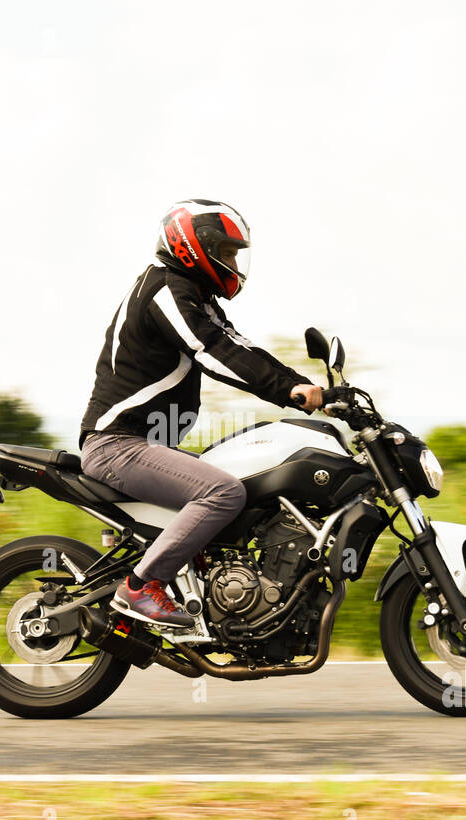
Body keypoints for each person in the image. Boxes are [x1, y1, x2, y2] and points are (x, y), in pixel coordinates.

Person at [79, 199, 323, 627]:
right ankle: (140, 587)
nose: (232, 262)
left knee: (247, 491)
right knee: (224, 492)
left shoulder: (191, 296)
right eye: (226, 252)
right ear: (194, 247)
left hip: (144, 444)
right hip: (116, 444)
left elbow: (240, 346)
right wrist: (290, 391)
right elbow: (213, 350)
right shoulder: (164, 289)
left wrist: (306, 385)